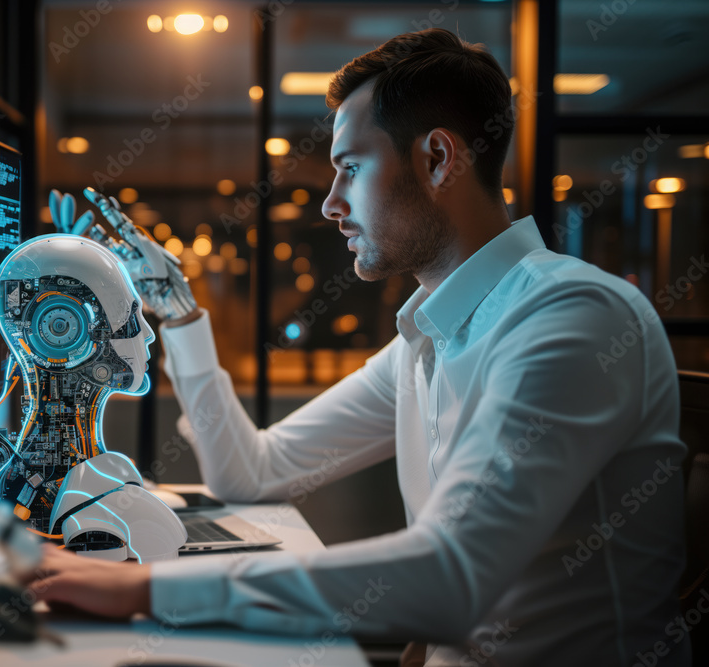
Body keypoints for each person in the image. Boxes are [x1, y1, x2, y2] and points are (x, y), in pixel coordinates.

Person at [34, 29, 690, 664]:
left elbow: (450, 578)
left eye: (350, 168)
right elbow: (252, 471)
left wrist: (141, 589)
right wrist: (177, 311)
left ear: (437, 159)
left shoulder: (572, 317)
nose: (330, 204)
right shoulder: (425, 339)